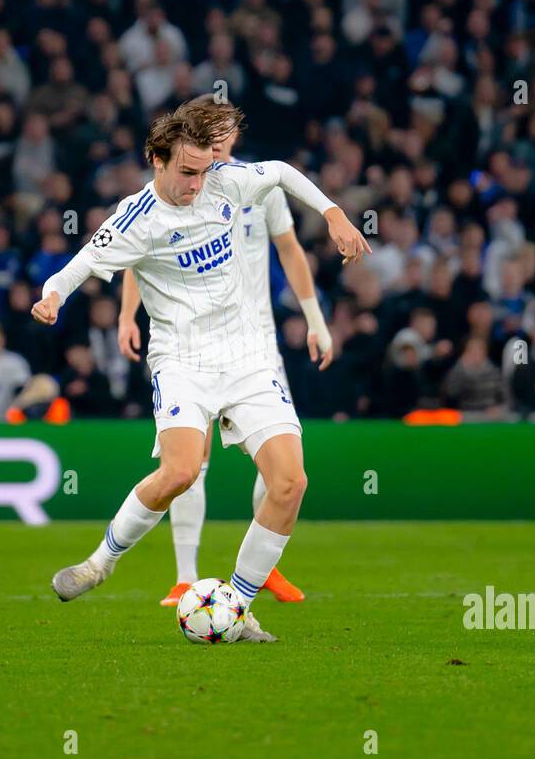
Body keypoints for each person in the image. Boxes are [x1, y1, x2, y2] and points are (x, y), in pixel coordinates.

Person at [32, 101, 369, 642]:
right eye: (186, 172)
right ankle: (100, 563)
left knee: (290, 482)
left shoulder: (225, 183)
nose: (197, 184)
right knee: (182, 471)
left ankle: (237, 605)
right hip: (183, 360)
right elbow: (77, 266)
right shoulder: (134, 220)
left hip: (247, 356)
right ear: (156, 161)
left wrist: (332, 213)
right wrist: (51, 297)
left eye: (203, 170)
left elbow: (281, 172)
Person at [117, 100, 329, 606]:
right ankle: (185, 576)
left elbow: (290, 250)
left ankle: (260, 567)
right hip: (196, 342)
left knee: (280, 468)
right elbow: (136, 252)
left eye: (225, 132)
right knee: (193, 459)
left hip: (257, 343)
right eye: (211, 132)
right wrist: (129, 316)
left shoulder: (255, 185)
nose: (218, 140)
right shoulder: (184, 187)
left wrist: (315, 320)